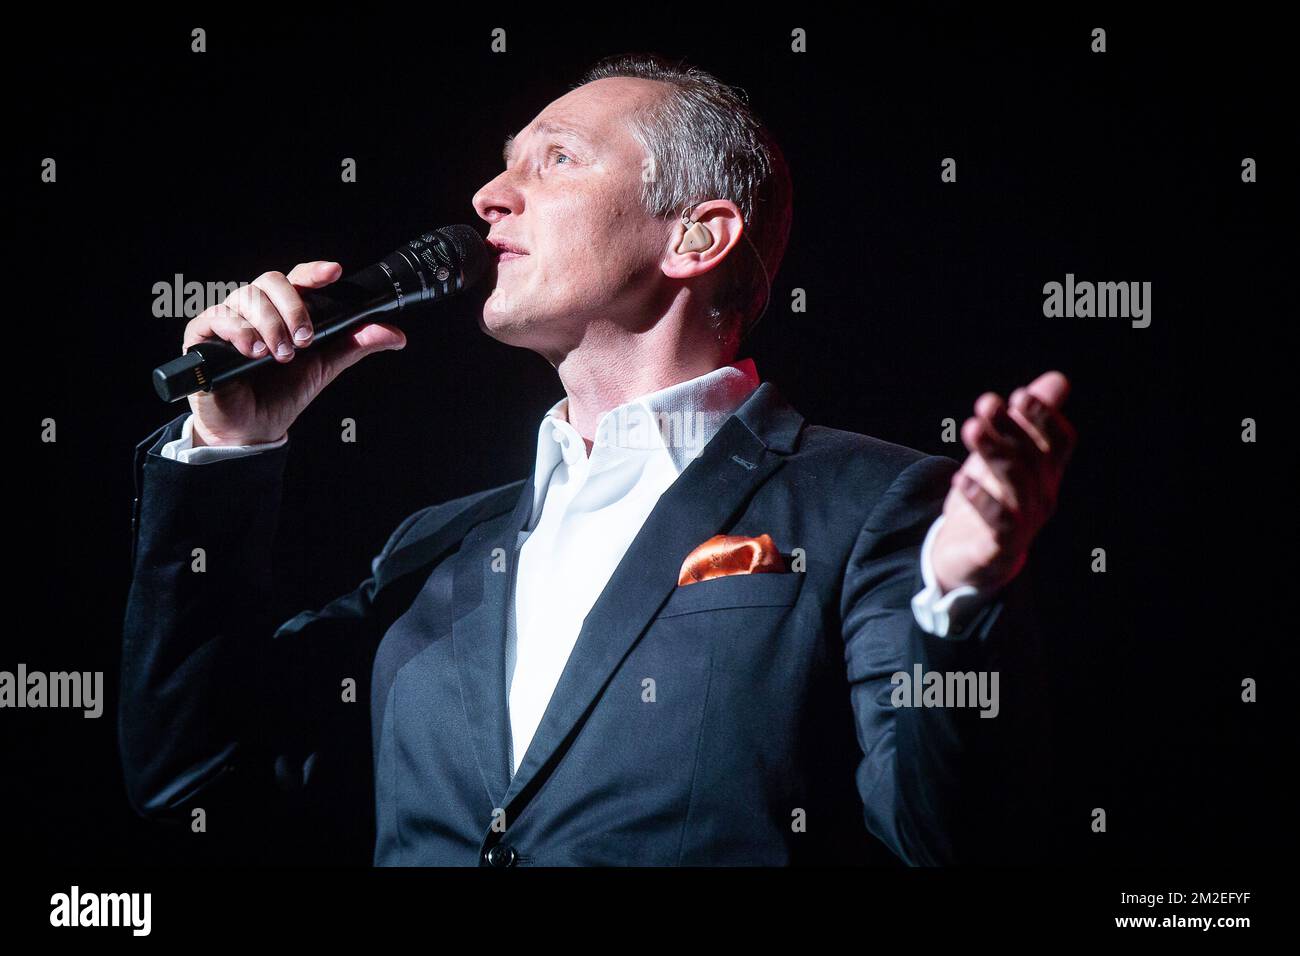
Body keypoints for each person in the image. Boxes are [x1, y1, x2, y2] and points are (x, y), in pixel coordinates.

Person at [122, 54, 1076, 866]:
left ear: (698, 235)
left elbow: (947, 835)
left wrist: (959, 604)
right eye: (504, 168)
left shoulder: (869, 503)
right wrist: (228, 452)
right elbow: (192, 775)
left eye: (557, 160)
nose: (490, 197)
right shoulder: (434, 552)